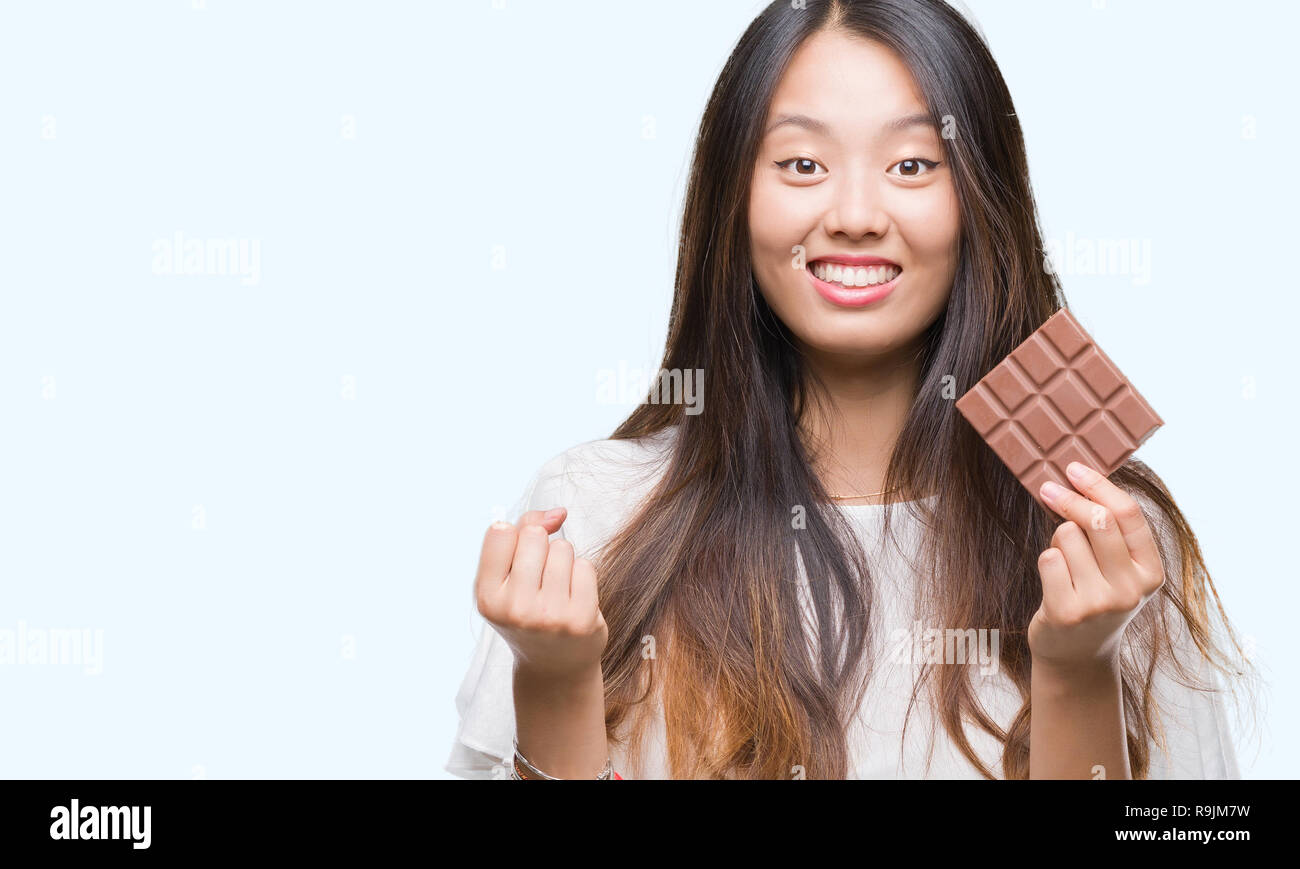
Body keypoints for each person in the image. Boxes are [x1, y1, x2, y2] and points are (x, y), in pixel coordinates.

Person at [447, 0, 1256, 780]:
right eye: (802, 164)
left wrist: (1081, 669)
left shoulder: (1108, 539)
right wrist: (553, 685)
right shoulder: (596, 514)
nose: (856, 214)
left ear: (981, 199)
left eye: (913, 165)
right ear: (733, 196)